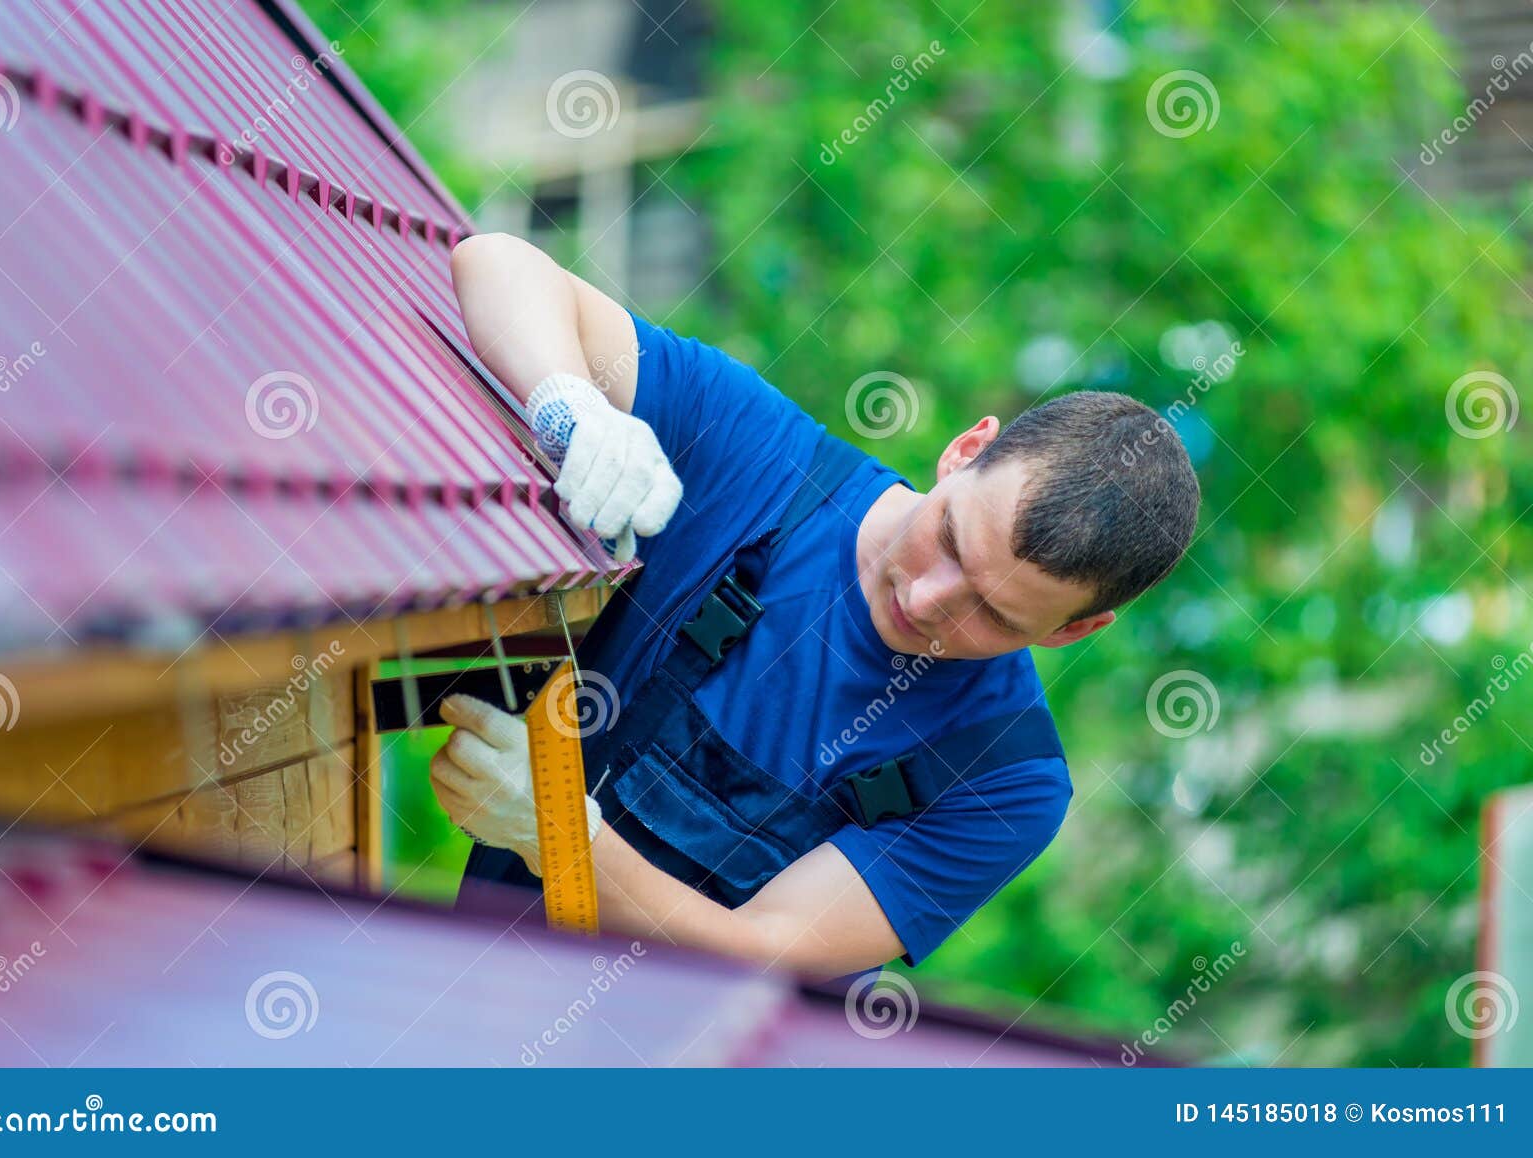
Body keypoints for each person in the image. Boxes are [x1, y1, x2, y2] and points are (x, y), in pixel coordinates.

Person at [430, 231, 1200, 980]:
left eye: (995, 616)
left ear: (1075, 631)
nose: (931, 602)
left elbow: (761, 954)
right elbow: (496, 263)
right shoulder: (754, 459)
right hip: (460, 988)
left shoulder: (1001, 780)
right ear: (964, 452)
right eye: (953, 541)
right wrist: (572, 410)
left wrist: (561, 836)